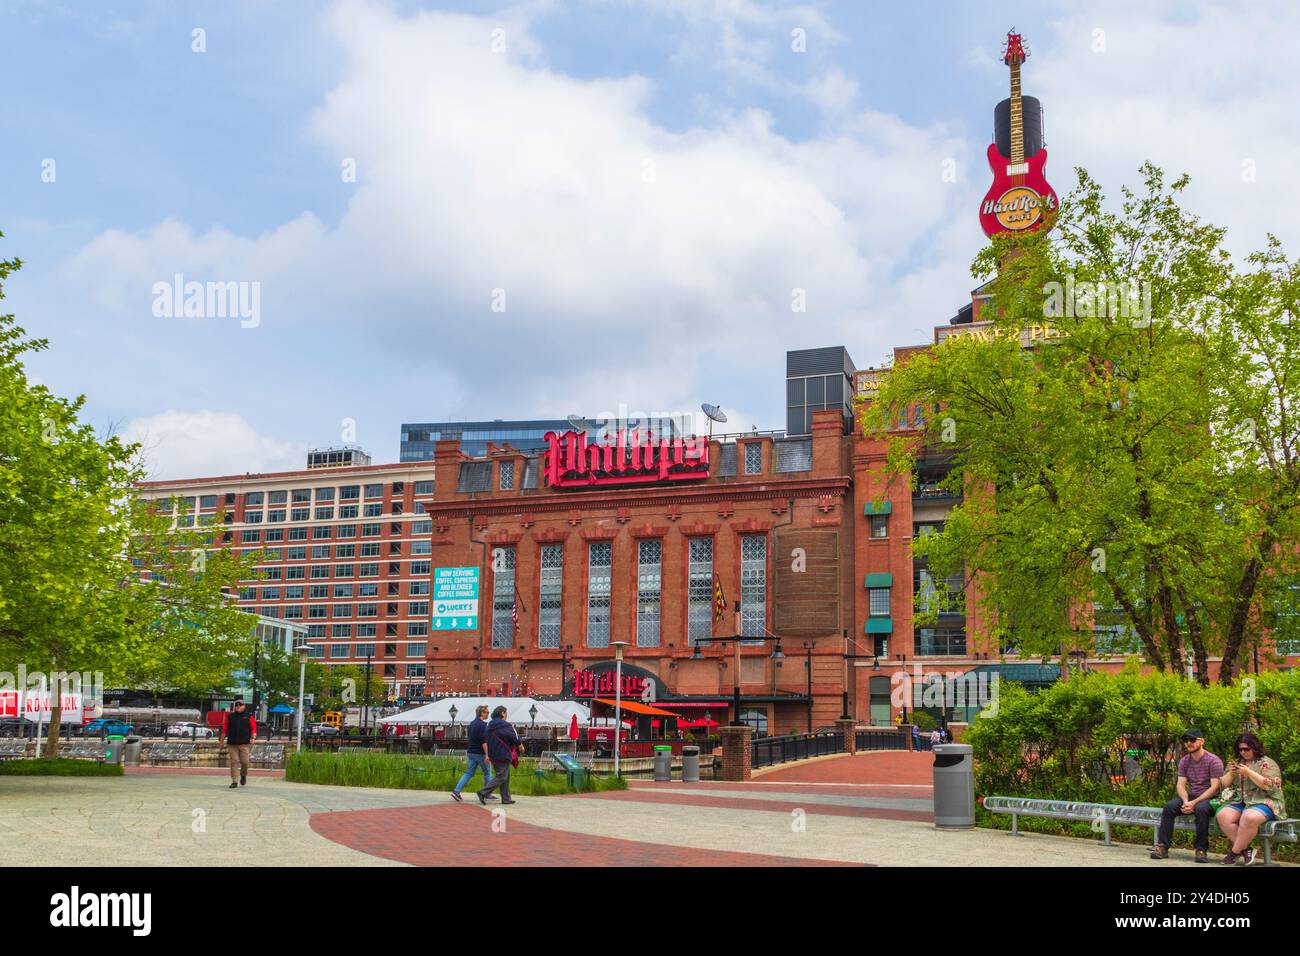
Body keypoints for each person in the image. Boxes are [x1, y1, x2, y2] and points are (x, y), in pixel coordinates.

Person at [1150, 727, 1223, 862]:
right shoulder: (1184, 761)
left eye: (1192, 740)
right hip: (1192, 797)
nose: (1189, 743)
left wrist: (1194, 803)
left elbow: (1215, 788)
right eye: (1186, 740)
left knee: (1201, 810)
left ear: (1202, 742)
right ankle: (1163, 846)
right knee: (1169, 807)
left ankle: (1201, 849)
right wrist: (1185, 801)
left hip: (1211, 798)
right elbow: (1180, 784)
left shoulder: (1214, 761)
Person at [1215, 731, 1286, 866]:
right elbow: (1223, 784)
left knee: (1249, 817)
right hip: (1241, 801)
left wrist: (1248, 772)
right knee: (1223, 815)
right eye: (1240, 749)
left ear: (1254, 747)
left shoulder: (1266, 763)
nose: (1242, 752)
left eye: (1246, 749)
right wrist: (1230, 773)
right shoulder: (1237, 762)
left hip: (1265, 800)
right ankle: (1247, 850)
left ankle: (1234, 853)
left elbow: (1270, 786)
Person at [478, 705, 522, 806]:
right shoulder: (505, 725)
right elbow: (514, 737)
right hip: (503, 753)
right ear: (502, 713)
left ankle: (506, 798)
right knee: (502, 777)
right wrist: (520, 744)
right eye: (506, 713)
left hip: (493, 754)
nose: (506, 715)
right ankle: (483, 792)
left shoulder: (490, 724)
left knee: (505, 776)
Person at [450, 705, 495, 803]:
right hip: (481, 753)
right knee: (487, 773)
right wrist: (487, 754)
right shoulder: (483, 725)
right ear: (482, 713)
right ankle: (487, 793)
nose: (488, 714)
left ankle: (456, 791)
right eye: (487, 712)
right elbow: (484, 741)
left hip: (471, 752)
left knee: (469, 773)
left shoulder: (471, 724)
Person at [221, 700, 256, 789]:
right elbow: (224, 730)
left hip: (244, 744)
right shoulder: (230, 717)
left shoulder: (249, 716)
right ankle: (234, 781)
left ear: (244, 706)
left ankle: (243, 775)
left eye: (240, 705)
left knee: (245, 762)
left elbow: (253, 728)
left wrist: (253, 738)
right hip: (232, 744)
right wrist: (221, 741)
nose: (238, 706)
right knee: (234, 761)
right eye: (236, 705)